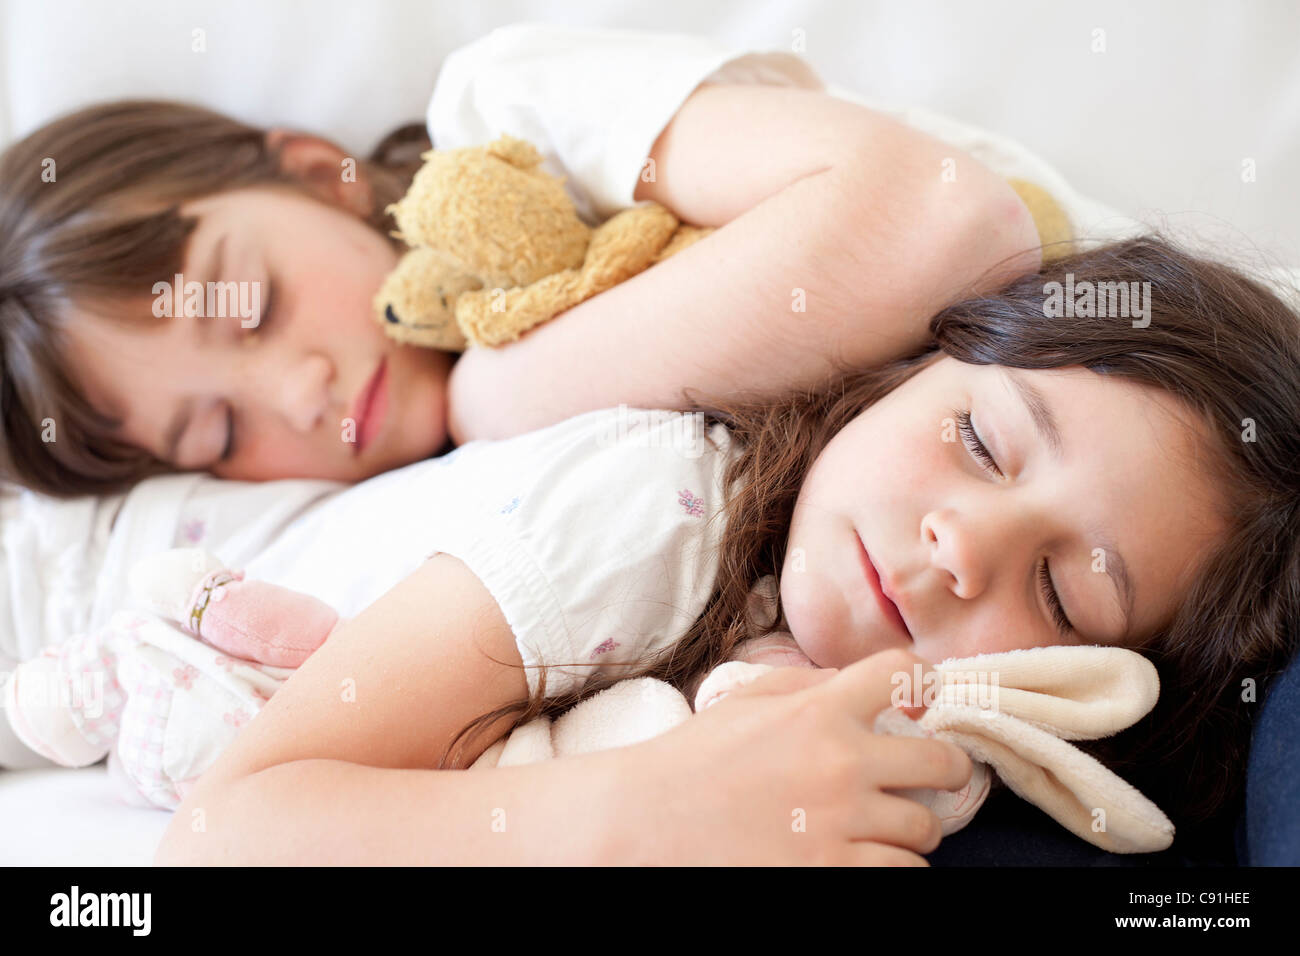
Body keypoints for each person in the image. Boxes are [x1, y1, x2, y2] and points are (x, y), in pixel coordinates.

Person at [152, 234, 1300, 864]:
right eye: (978, 441)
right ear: (922, 363)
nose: (960, 543)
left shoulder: (954, 743)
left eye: (1059, 591)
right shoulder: (655, 507)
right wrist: (639, 811)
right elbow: (226, 831)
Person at [0, 23, 1038, 494]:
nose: (296, 391)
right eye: (219, 431)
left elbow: (943, 222)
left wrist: (494, 395)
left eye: (256, 304)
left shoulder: (507, 114)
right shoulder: (418, 513)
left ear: (323, 175)